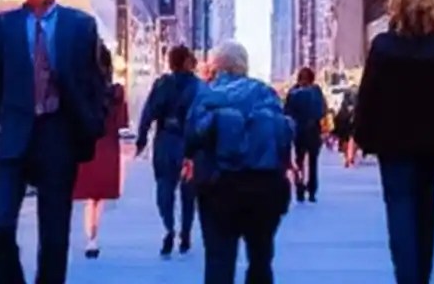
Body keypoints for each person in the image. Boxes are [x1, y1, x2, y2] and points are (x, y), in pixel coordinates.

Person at [0, 0, 108, 284]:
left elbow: (96, 83)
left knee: (54, 238)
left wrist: (91, 125)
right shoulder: (4, 26)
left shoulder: (80, 26)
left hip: (58, 138)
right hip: (13, 138)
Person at [354, 0, 434, 284]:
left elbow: (368, 95)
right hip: (431, 145)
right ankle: (422, 276)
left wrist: (363, 135)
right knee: (426, 209)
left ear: (395, 7)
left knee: (399, 208)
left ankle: (407, 276)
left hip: (392, 145)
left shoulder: (383, 47)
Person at [185, 43, 294, 284]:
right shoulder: (266, 93)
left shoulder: (207, 94)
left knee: (219, 259)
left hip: (219, 188)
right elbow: (283, 137)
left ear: (215, 66)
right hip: (265, 186)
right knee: (260, 258)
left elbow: (192, 136)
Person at [137, 44, 202, 256]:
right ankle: (185, 233)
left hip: (165, 141)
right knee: (188, 193)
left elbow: (148, 112)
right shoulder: (199, 87)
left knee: (164, 189)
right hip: (190, 143)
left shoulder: (162, 84)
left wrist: (142, 138)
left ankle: (168, 228)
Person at [73, 44, 129, 259]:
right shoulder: (116, 92)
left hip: (87, 143)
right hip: (108, 146)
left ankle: (90, 238)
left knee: (89, 197)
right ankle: (93, 237)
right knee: (99, 197)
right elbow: (122, 122)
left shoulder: (82, 90)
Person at [284, 67, 327, 202]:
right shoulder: (316, 91)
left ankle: (300, 188)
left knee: (299, 162)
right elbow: (322, 110)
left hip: (300, 132)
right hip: (313, 131)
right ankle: (312, 190)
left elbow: (287, 112)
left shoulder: (293, 92)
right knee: (312, 163)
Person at [333, 91, 357, 168]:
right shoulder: (354, 104)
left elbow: (338, 118)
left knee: (346, 141)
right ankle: (350, 157)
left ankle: (348, 157)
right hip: (349, 125)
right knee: (351, 141)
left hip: (344, 125)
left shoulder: (343, 106)